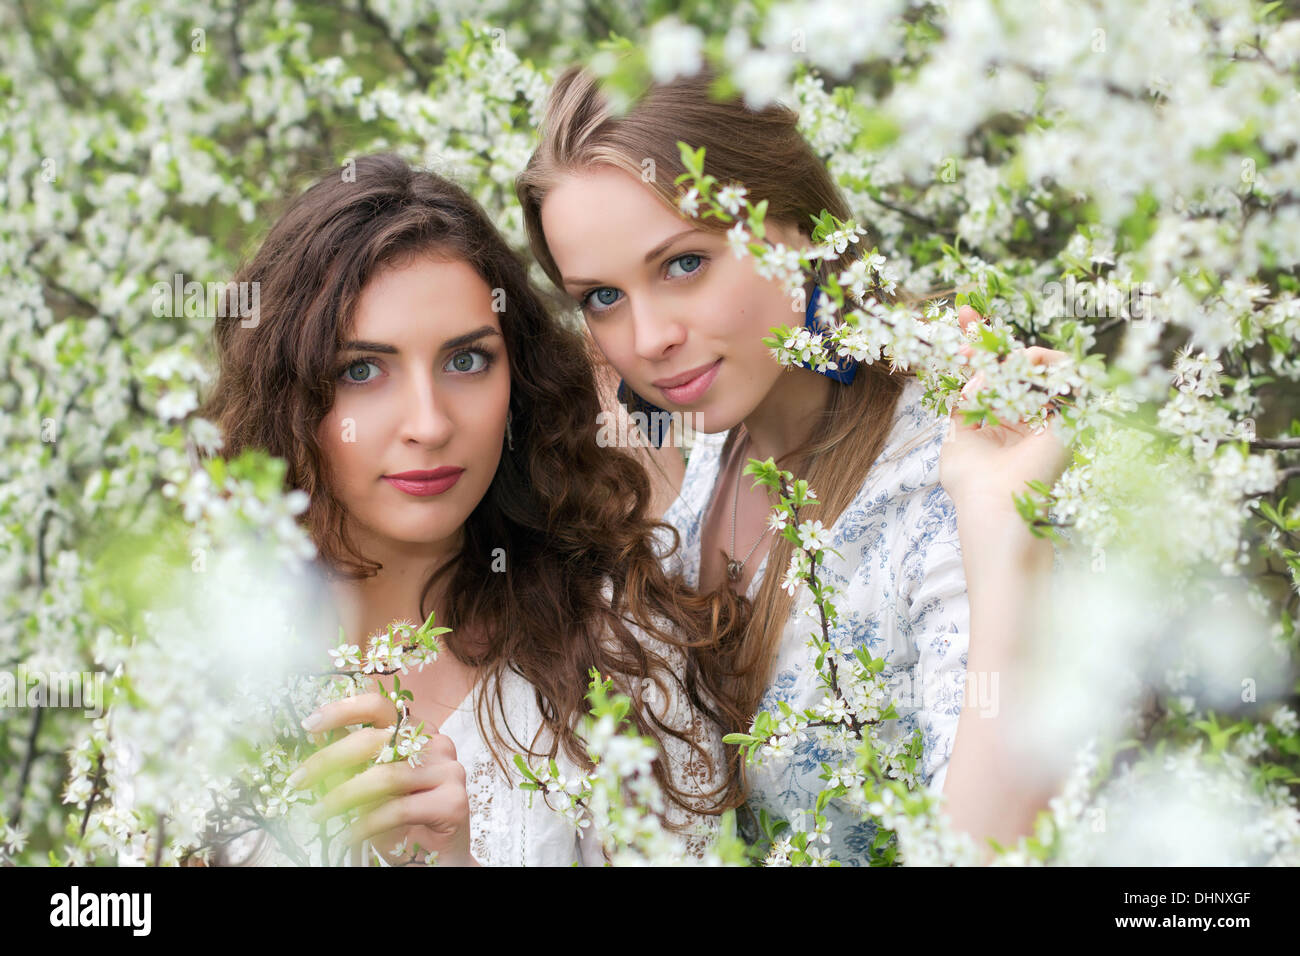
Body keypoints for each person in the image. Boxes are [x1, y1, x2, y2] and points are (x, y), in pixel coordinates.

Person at [516, 66, 1069, 862]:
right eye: (603, 296)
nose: (649, 339)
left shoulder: (949, 476)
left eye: (683, 264)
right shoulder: (710, 455)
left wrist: (1001, 529)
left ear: (801, 228)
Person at [197, 153, 749, 866]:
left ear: (518, 378)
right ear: (288, 396)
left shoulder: (625, 654)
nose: (429, 424)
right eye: (361, 370)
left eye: (466, 361)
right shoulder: (196, 665)